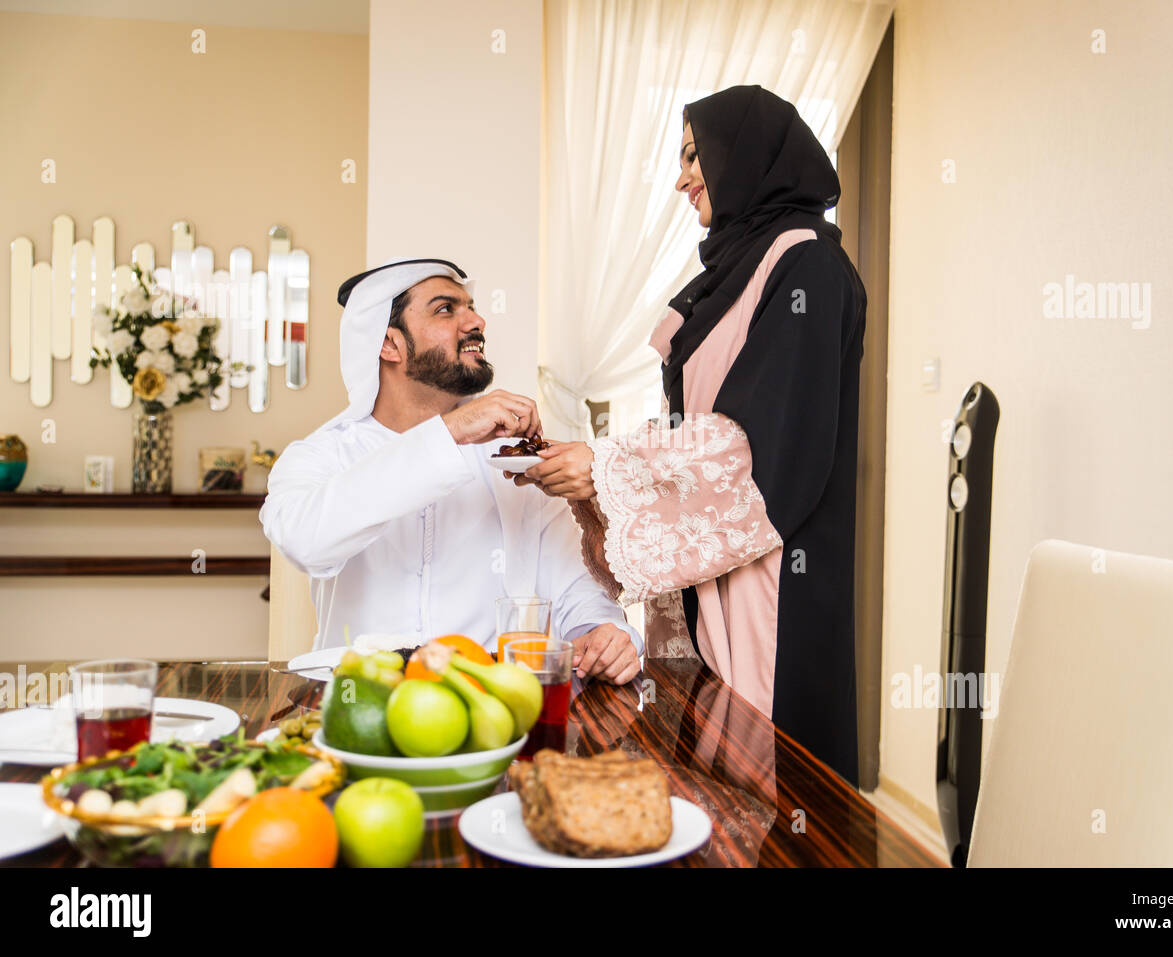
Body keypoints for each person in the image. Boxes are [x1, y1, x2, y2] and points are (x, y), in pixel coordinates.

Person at [519, 86, 867, 780]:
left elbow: (759, 452)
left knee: (776, 801)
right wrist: (600, 475)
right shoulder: (737, 272)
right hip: (713, 583)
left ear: (747, 156)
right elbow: (702, 428)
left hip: (774, 584)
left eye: (693, 155)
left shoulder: (807, 267)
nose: (681, 178)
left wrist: (606, 468)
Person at [260, 258, 642, 684]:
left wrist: (600, 631)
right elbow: (305, 541)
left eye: (471, 307)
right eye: (446, 309)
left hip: (493, 707)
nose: (475, 321)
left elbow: (574, 583)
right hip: (358, 708)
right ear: (389, 344)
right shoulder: (320, 455)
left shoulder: (514, 459)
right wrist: (449, 432)